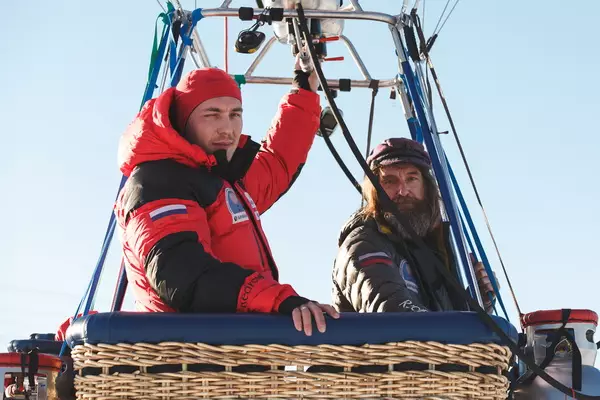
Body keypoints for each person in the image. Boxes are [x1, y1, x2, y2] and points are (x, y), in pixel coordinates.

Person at [114, 55, 339, 336]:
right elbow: (183, 277)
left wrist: (304, 91)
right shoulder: (158, 181)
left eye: (235, 114)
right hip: (185, 363)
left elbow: (279, 161)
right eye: (212, 114)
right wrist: (278, 299)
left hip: (233, 356)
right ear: (184, 120)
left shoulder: (224, 181)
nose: (227, 128)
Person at [331, 137, 497, 313]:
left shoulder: (435, 246)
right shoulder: (363, 243)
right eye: (390, 181)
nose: (403, 191)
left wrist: (478, 301)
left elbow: (446, 322)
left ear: (426, 186)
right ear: (374, 191)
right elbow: (393, 311)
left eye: (411, 179)